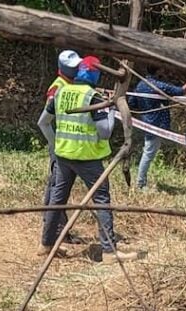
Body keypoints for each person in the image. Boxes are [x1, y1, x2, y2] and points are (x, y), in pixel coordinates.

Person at [38, 56, 140, 262]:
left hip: (63, 156)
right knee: (102, 201)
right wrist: (110, 109)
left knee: (57, 200)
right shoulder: (93, 97)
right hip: (88, 159)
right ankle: (109, 251)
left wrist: (54, 143)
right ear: (96, 75)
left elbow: (43, 122)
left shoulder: (61, 92)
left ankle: (46, 244)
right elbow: (105, 133)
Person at [38, 49, 86, 254]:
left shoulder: (69, 85)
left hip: (64, 144)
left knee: (56, 186)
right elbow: (44, 121)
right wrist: (55, 144)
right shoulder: (57, 88)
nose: (78, 70)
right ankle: (55, 229)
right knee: (57, 188)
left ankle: (56, 226)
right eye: (75, 67)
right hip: (60, 144)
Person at [132, 66, 186, 190]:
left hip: (147, 123)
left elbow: (131, 102)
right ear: (159, 71)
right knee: (148, 154)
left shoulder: (140, 85)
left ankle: (141, 181)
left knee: (149, 152)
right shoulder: (158, 86)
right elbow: (181, 91)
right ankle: (140, 183)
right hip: (157, 125)